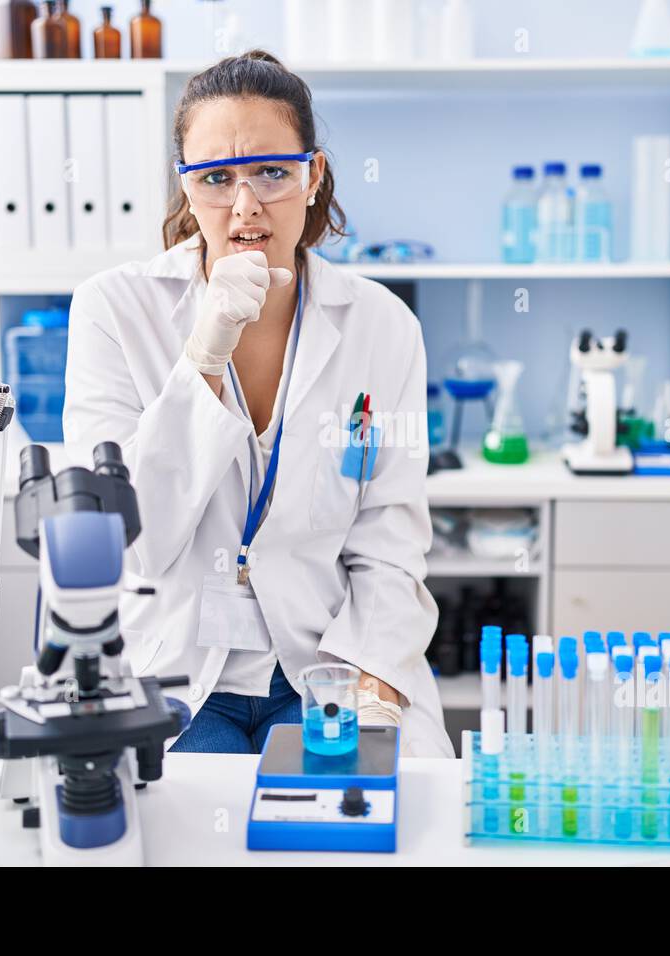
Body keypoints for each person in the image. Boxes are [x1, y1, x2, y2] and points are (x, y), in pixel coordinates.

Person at [62, 50, 452, 757]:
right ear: (187, 189)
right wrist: (201, 362)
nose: (245, 207)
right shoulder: (112, 310)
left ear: (313, 176)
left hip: (325, 662)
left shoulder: (382, 325)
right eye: (215, 179)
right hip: (181, 668)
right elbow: (136, 544)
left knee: (347, 828)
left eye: (272, 172)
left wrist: (369, 676)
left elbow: (390, 540)